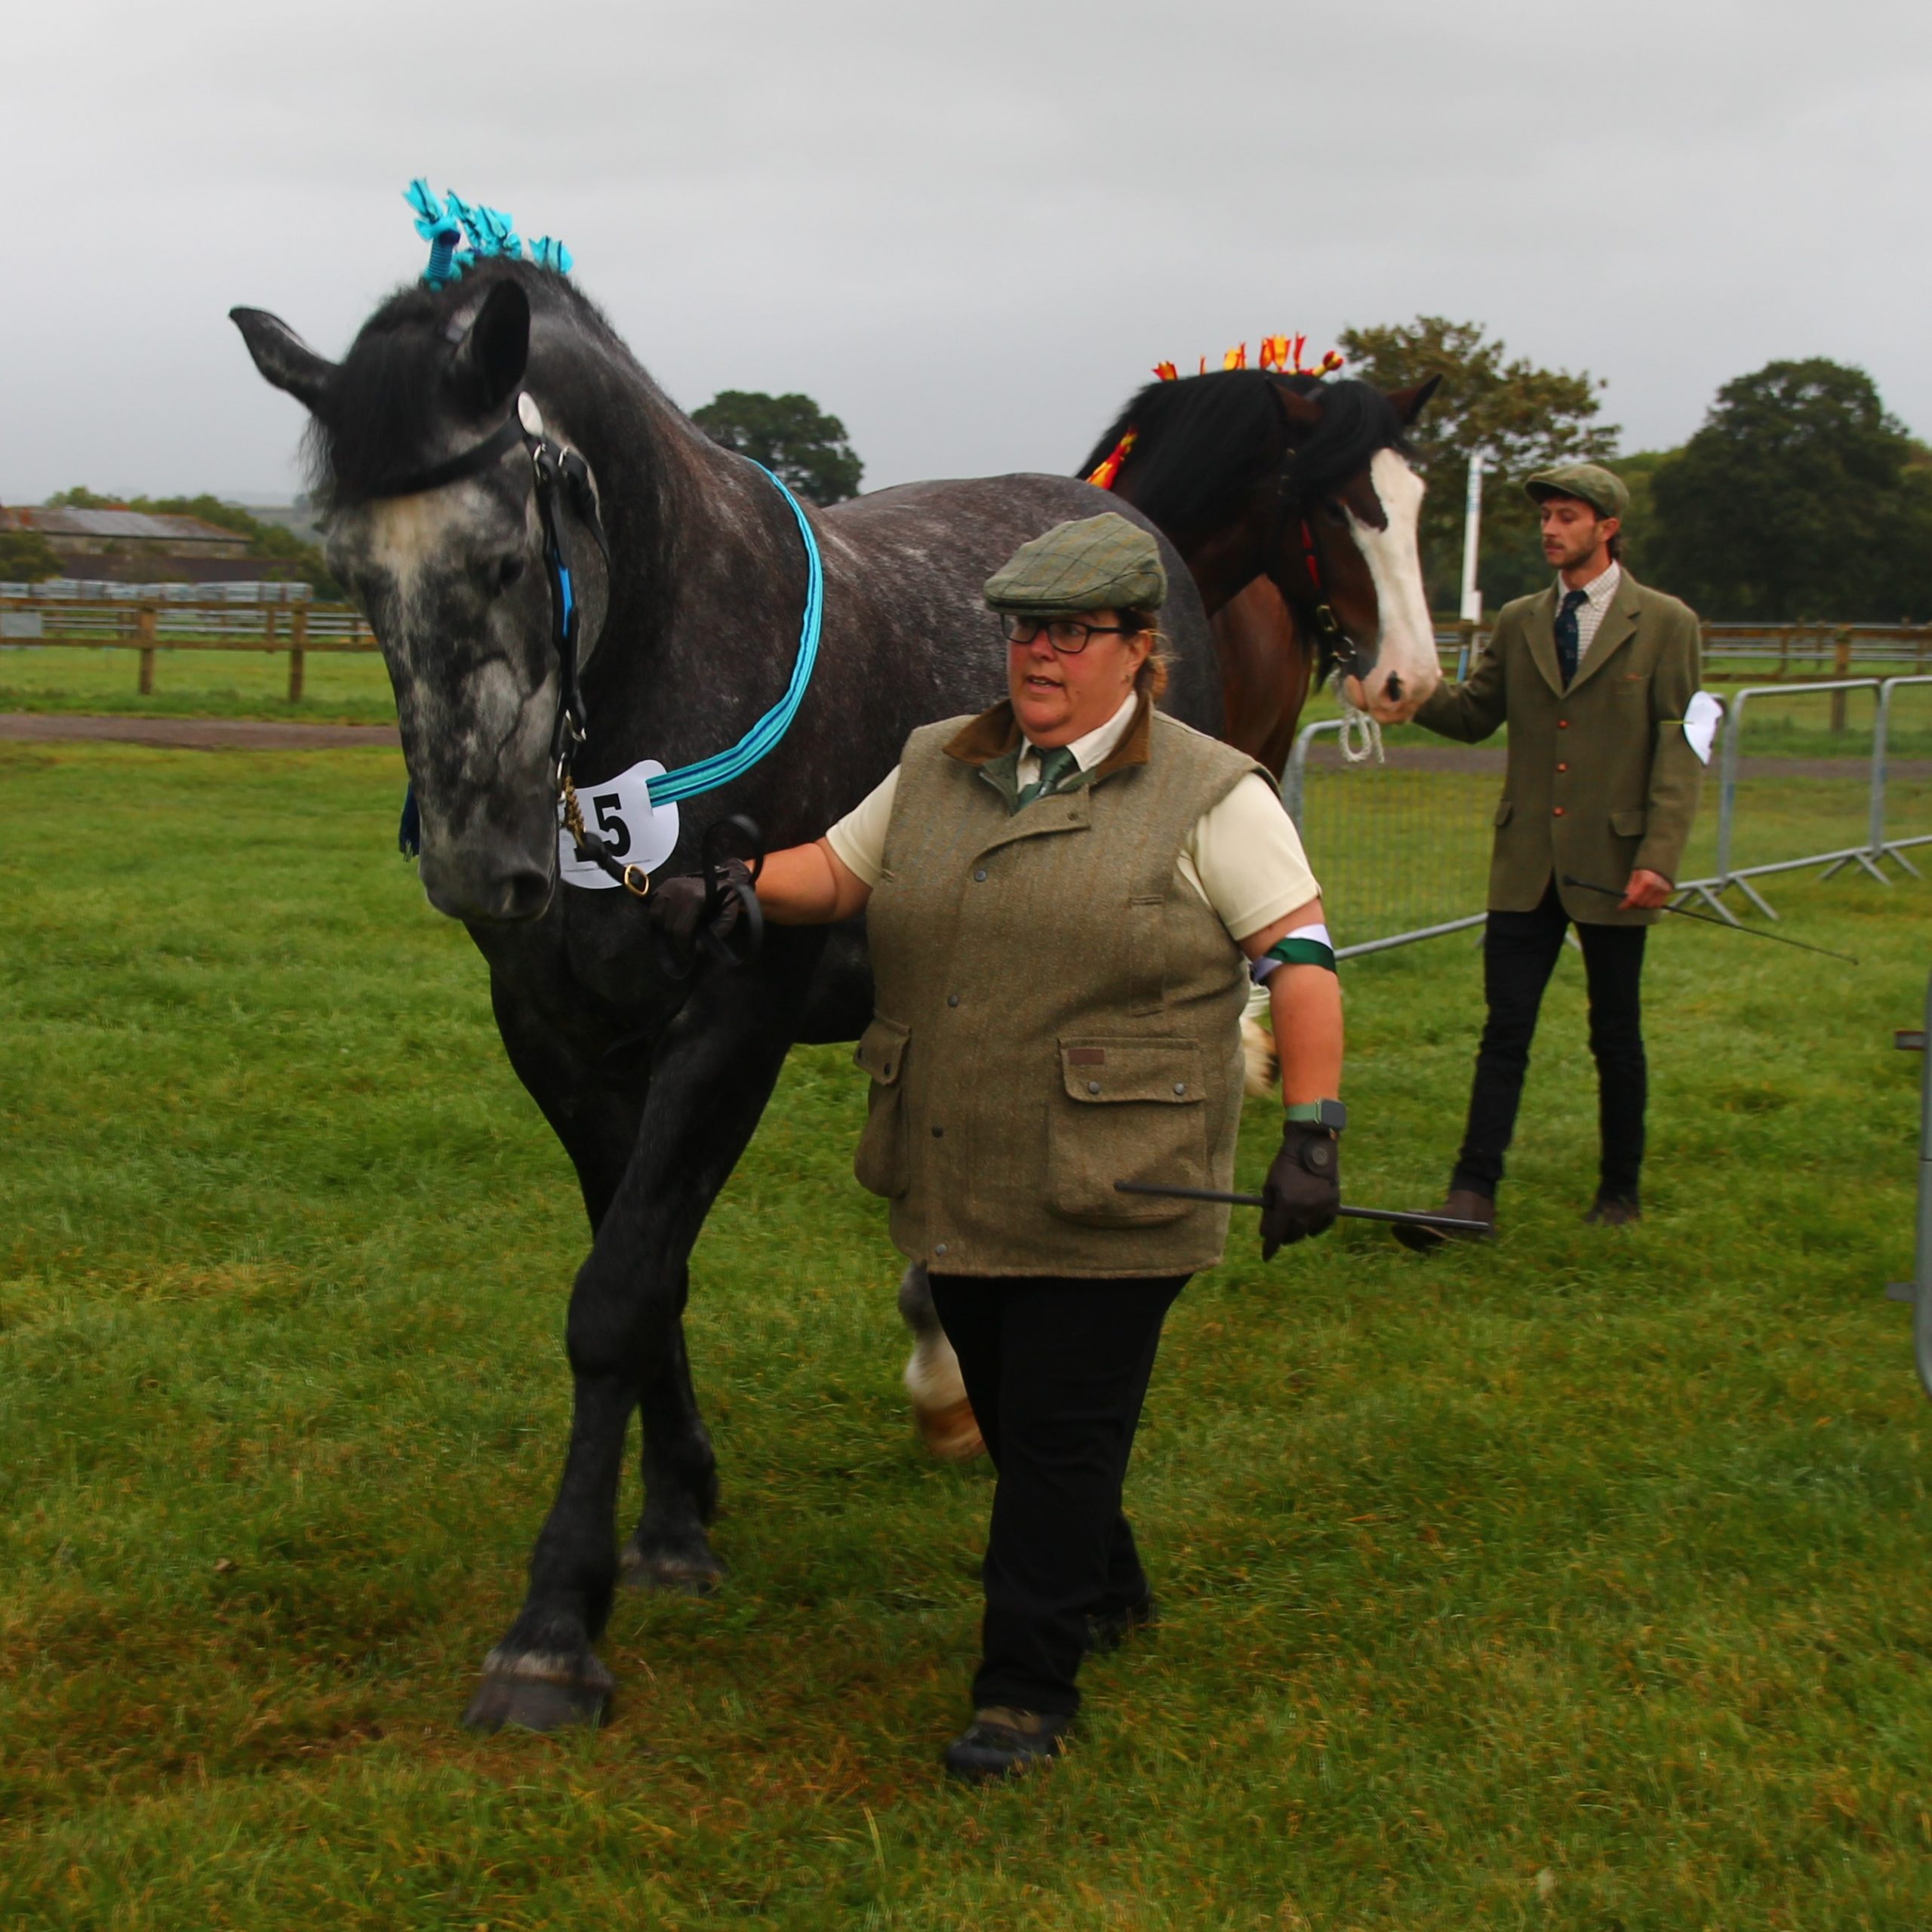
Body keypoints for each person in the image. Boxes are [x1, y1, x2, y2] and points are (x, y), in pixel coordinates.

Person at [657, 512, 1346, 1780]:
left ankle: (1026, 1695)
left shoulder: (1212, 793)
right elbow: (843, 870)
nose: (1037, 655)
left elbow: (1298, 960)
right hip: (959, 1164)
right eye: (1025, 629)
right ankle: (1109, 1578)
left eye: (1070, 633)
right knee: (1029, 1416)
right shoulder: (939, 763)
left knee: (1063, 1431)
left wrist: (1314, 1130)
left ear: (1139, 649)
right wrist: (738, 888)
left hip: (1118, 1180)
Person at [1395, 462, 1703, 1247]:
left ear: (1606, 528)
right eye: (1544, 518)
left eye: (1565, 517)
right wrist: (1411, 693)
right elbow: (1472, 716)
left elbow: (1680, 745)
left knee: (1615, 1034)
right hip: (1524, 863)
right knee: (1504, 1031)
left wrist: (1659, 858)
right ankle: (1470, 1195)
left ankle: (1619, 1189)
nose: (1549, 530)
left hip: (1615, 861)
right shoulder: (1520, 618)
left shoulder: (1668, 622)